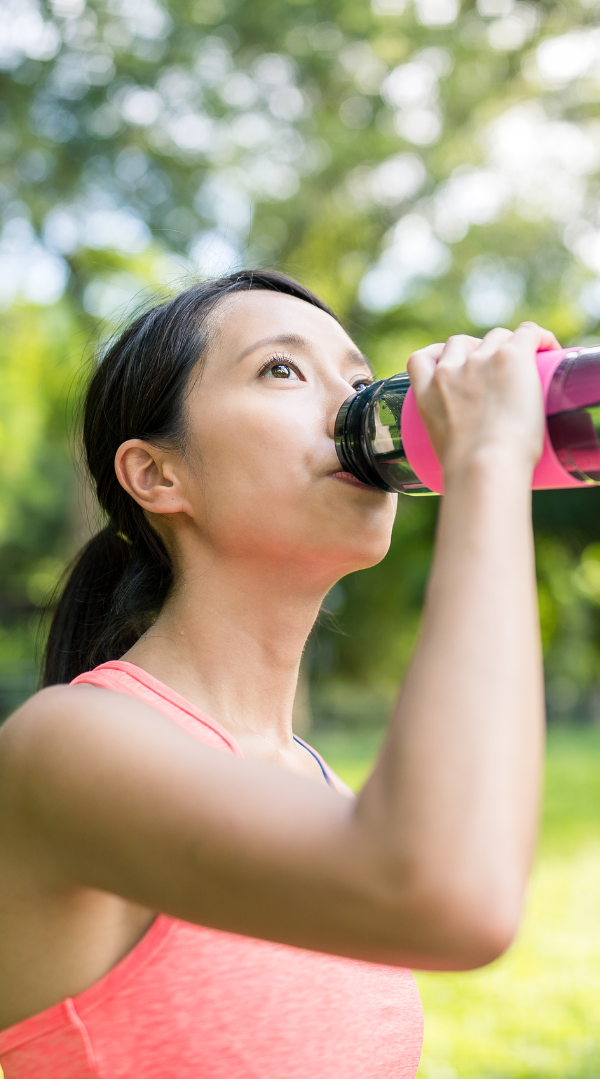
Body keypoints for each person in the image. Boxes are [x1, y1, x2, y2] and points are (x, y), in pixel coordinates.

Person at [0, 270, 551, 1077]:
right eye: (282, 370)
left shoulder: (318, 788)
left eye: (360, 380)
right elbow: (451, 897)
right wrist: (493, 462)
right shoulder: (66, 746)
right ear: (157, 475)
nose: (355, 404)